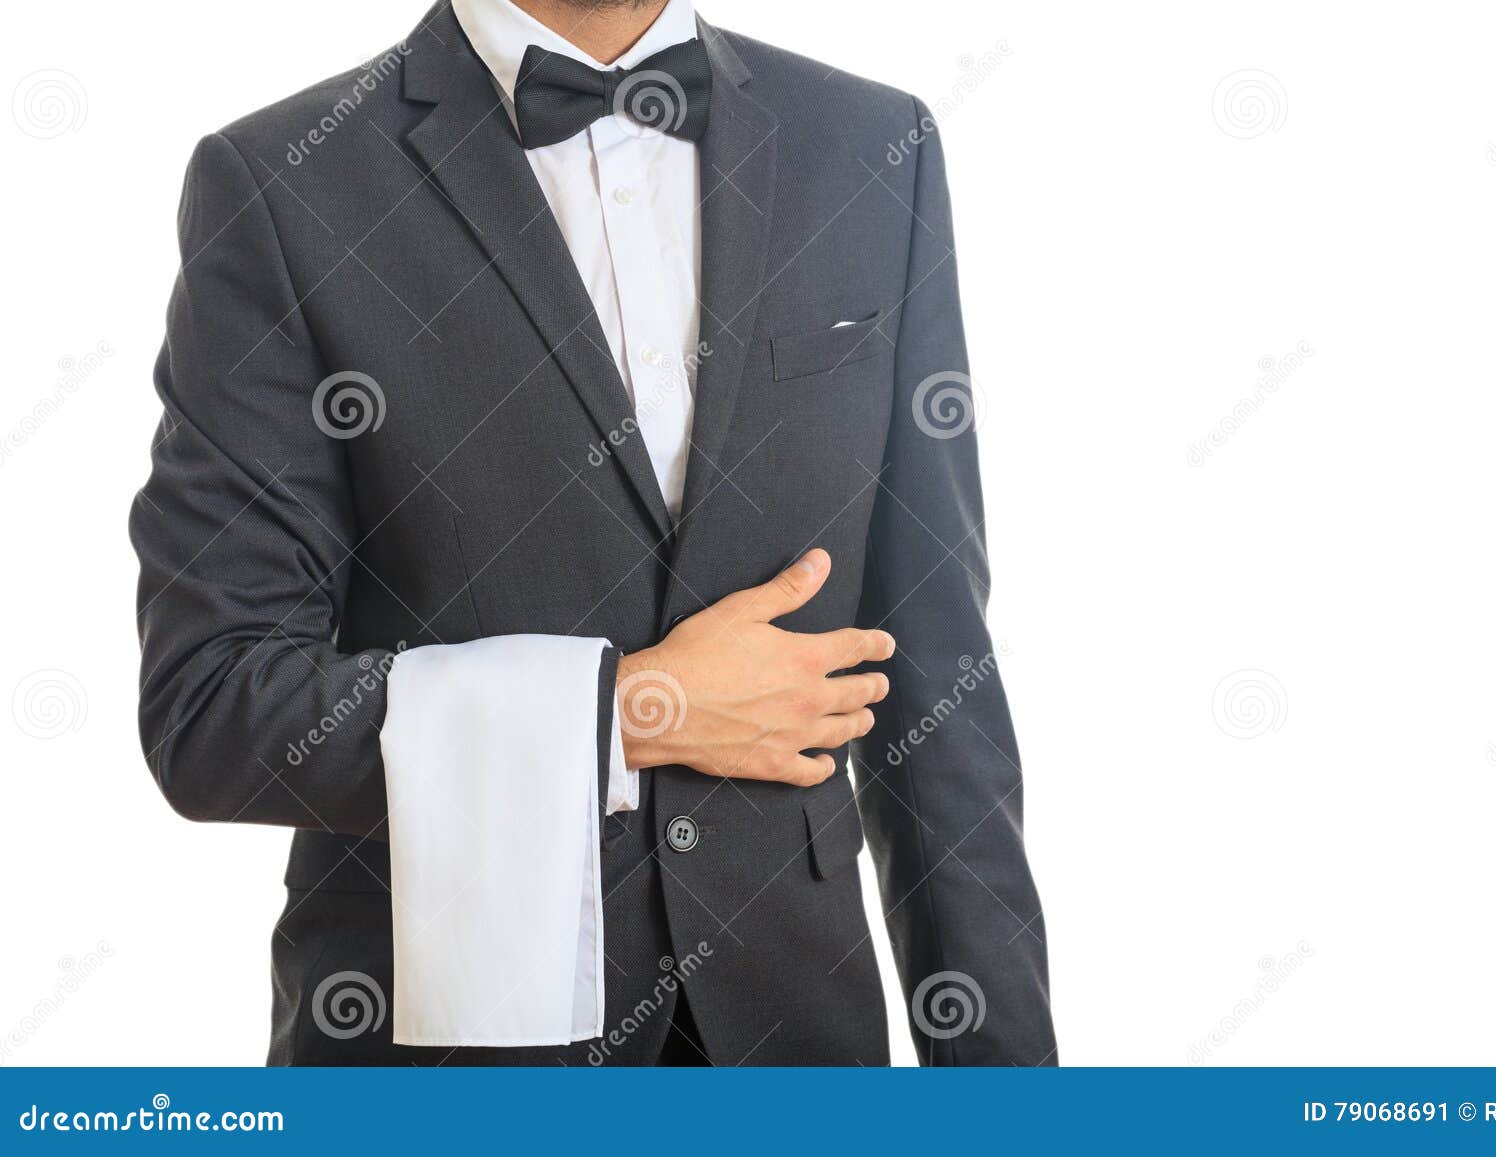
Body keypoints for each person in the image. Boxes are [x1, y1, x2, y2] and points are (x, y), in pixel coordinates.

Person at [130, 0, 1054, 1066]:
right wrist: (627, 714)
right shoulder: (284, 183)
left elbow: (937, 686)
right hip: (443, 1065)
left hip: (797, 1043)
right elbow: (211, 709)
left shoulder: (869, 145)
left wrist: (1007, 1091)